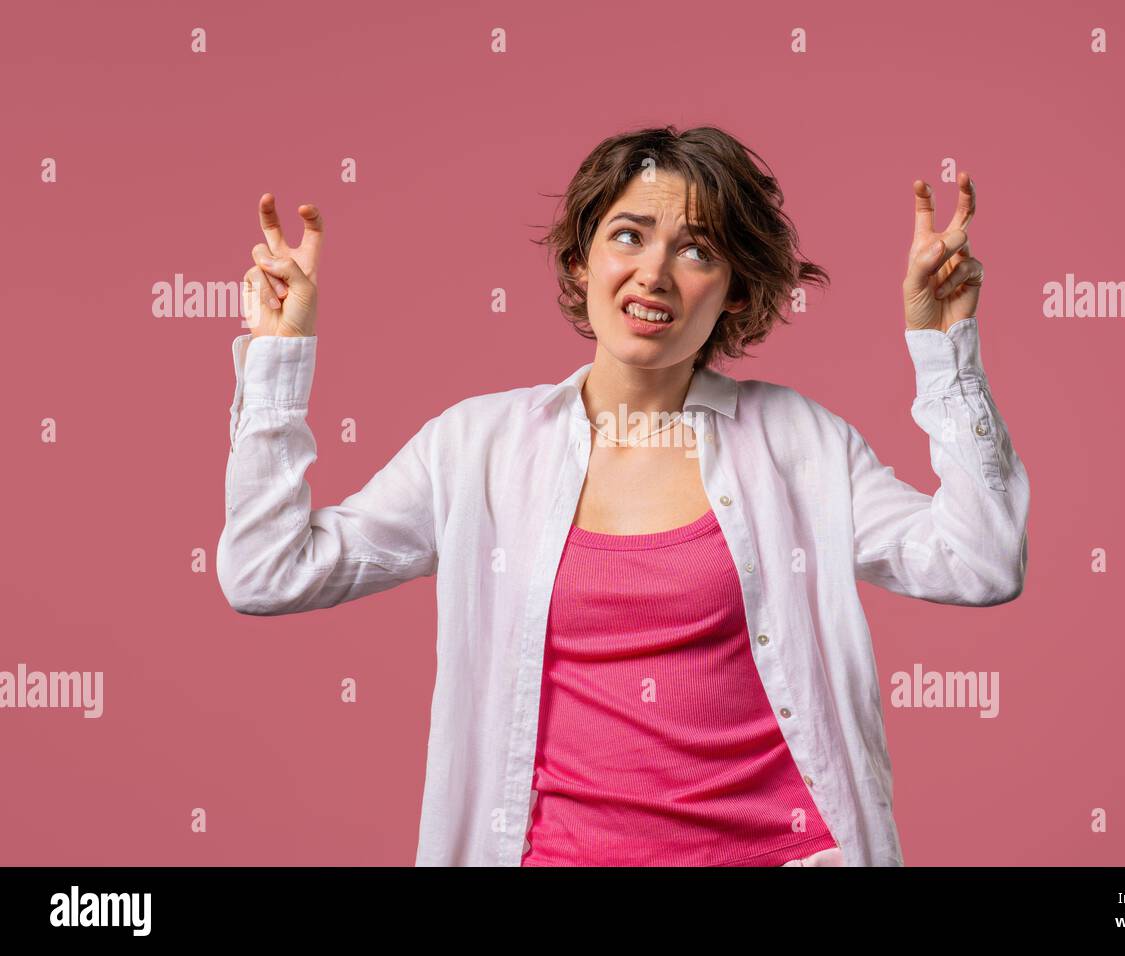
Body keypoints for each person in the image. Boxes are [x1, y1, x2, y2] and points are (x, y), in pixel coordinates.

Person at [218, 125, 1029, 867]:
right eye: (629, 236)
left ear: (734, 293)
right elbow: (268, 572)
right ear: (581, 260)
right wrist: (279, 366)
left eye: (697, 250)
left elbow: (979, 563)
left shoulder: (800, 443)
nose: (654, 272)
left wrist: (944, 348)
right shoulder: (477, 448)